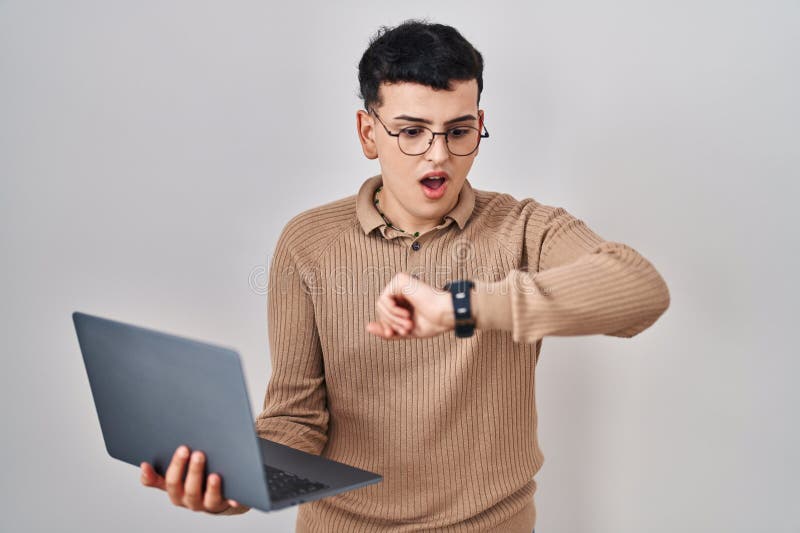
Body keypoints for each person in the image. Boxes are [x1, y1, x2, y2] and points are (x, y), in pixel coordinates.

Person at [139, 19, 670, 532]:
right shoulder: (307, 242)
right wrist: (235, 487)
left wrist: (461, 307)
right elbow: (296, 420)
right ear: (368, 132)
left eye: (459, 131)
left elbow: (640, 291)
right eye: (412, 131)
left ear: (480, 126)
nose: (438, 155)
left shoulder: (526, 228)